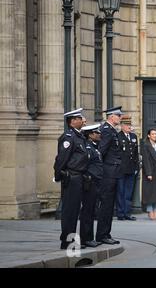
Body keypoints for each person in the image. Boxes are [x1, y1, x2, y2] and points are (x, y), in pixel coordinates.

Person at [53, 108, 89, 250]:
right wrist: (58, 176)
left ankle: (71, 238)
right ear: (73, 121)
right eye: (80, 118)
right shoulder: (68, 137)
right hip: (71, 177)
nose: (83, 120)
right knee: (69, 211)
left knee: (75, 211)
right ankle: (67, 241)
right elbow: (62, 159)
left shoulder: (79, 136)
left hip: (79, 177)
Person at [96, 106, 123, 245]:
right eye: (118, 116)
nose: (120, 117)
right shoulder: (107, 130)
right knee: (106, 204)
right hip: (108, 172)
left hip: (113, 171)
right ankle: (102, 234)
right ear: (111, 117)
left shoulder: (112, 130)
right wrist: (102, 172)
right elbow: (101, 152)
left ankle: (105, 233)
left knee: (109, 204)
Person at [80, 123, 103, 248]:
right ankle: (85, 238)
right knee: (87, 211)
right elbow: (85, 165)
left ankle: (90, 237)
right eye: (96, 133)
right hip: (90, 182)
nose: (99, 135)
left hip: (96, 182)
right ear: (90, 135)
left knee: (92, 211)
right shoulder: (88, 148)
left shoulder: (95, 147)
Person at [116, 115, 139, 221]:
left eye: (130, 125)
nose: (129, 127)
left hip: (130, 168)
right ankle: (120, 213)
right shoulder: (118, 136)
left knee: (128, 192)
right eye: (127, 125)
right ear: (122, 126)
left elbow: (135, 154)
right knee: (120, 191)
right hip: (121, 169)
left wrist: (136, 168)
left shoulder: (134, 137)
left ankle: (127, 212)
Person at [141, 128, 156, 220]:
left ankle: (155, 209)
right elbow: (146, 160)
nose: (155, 136)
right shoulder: (146, 145)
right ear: (148, 135)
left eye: (155, 134)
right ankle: (150, 210)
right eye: (152, 134)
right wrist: (149, 173)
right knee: (150, 193)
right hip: (151, 172)